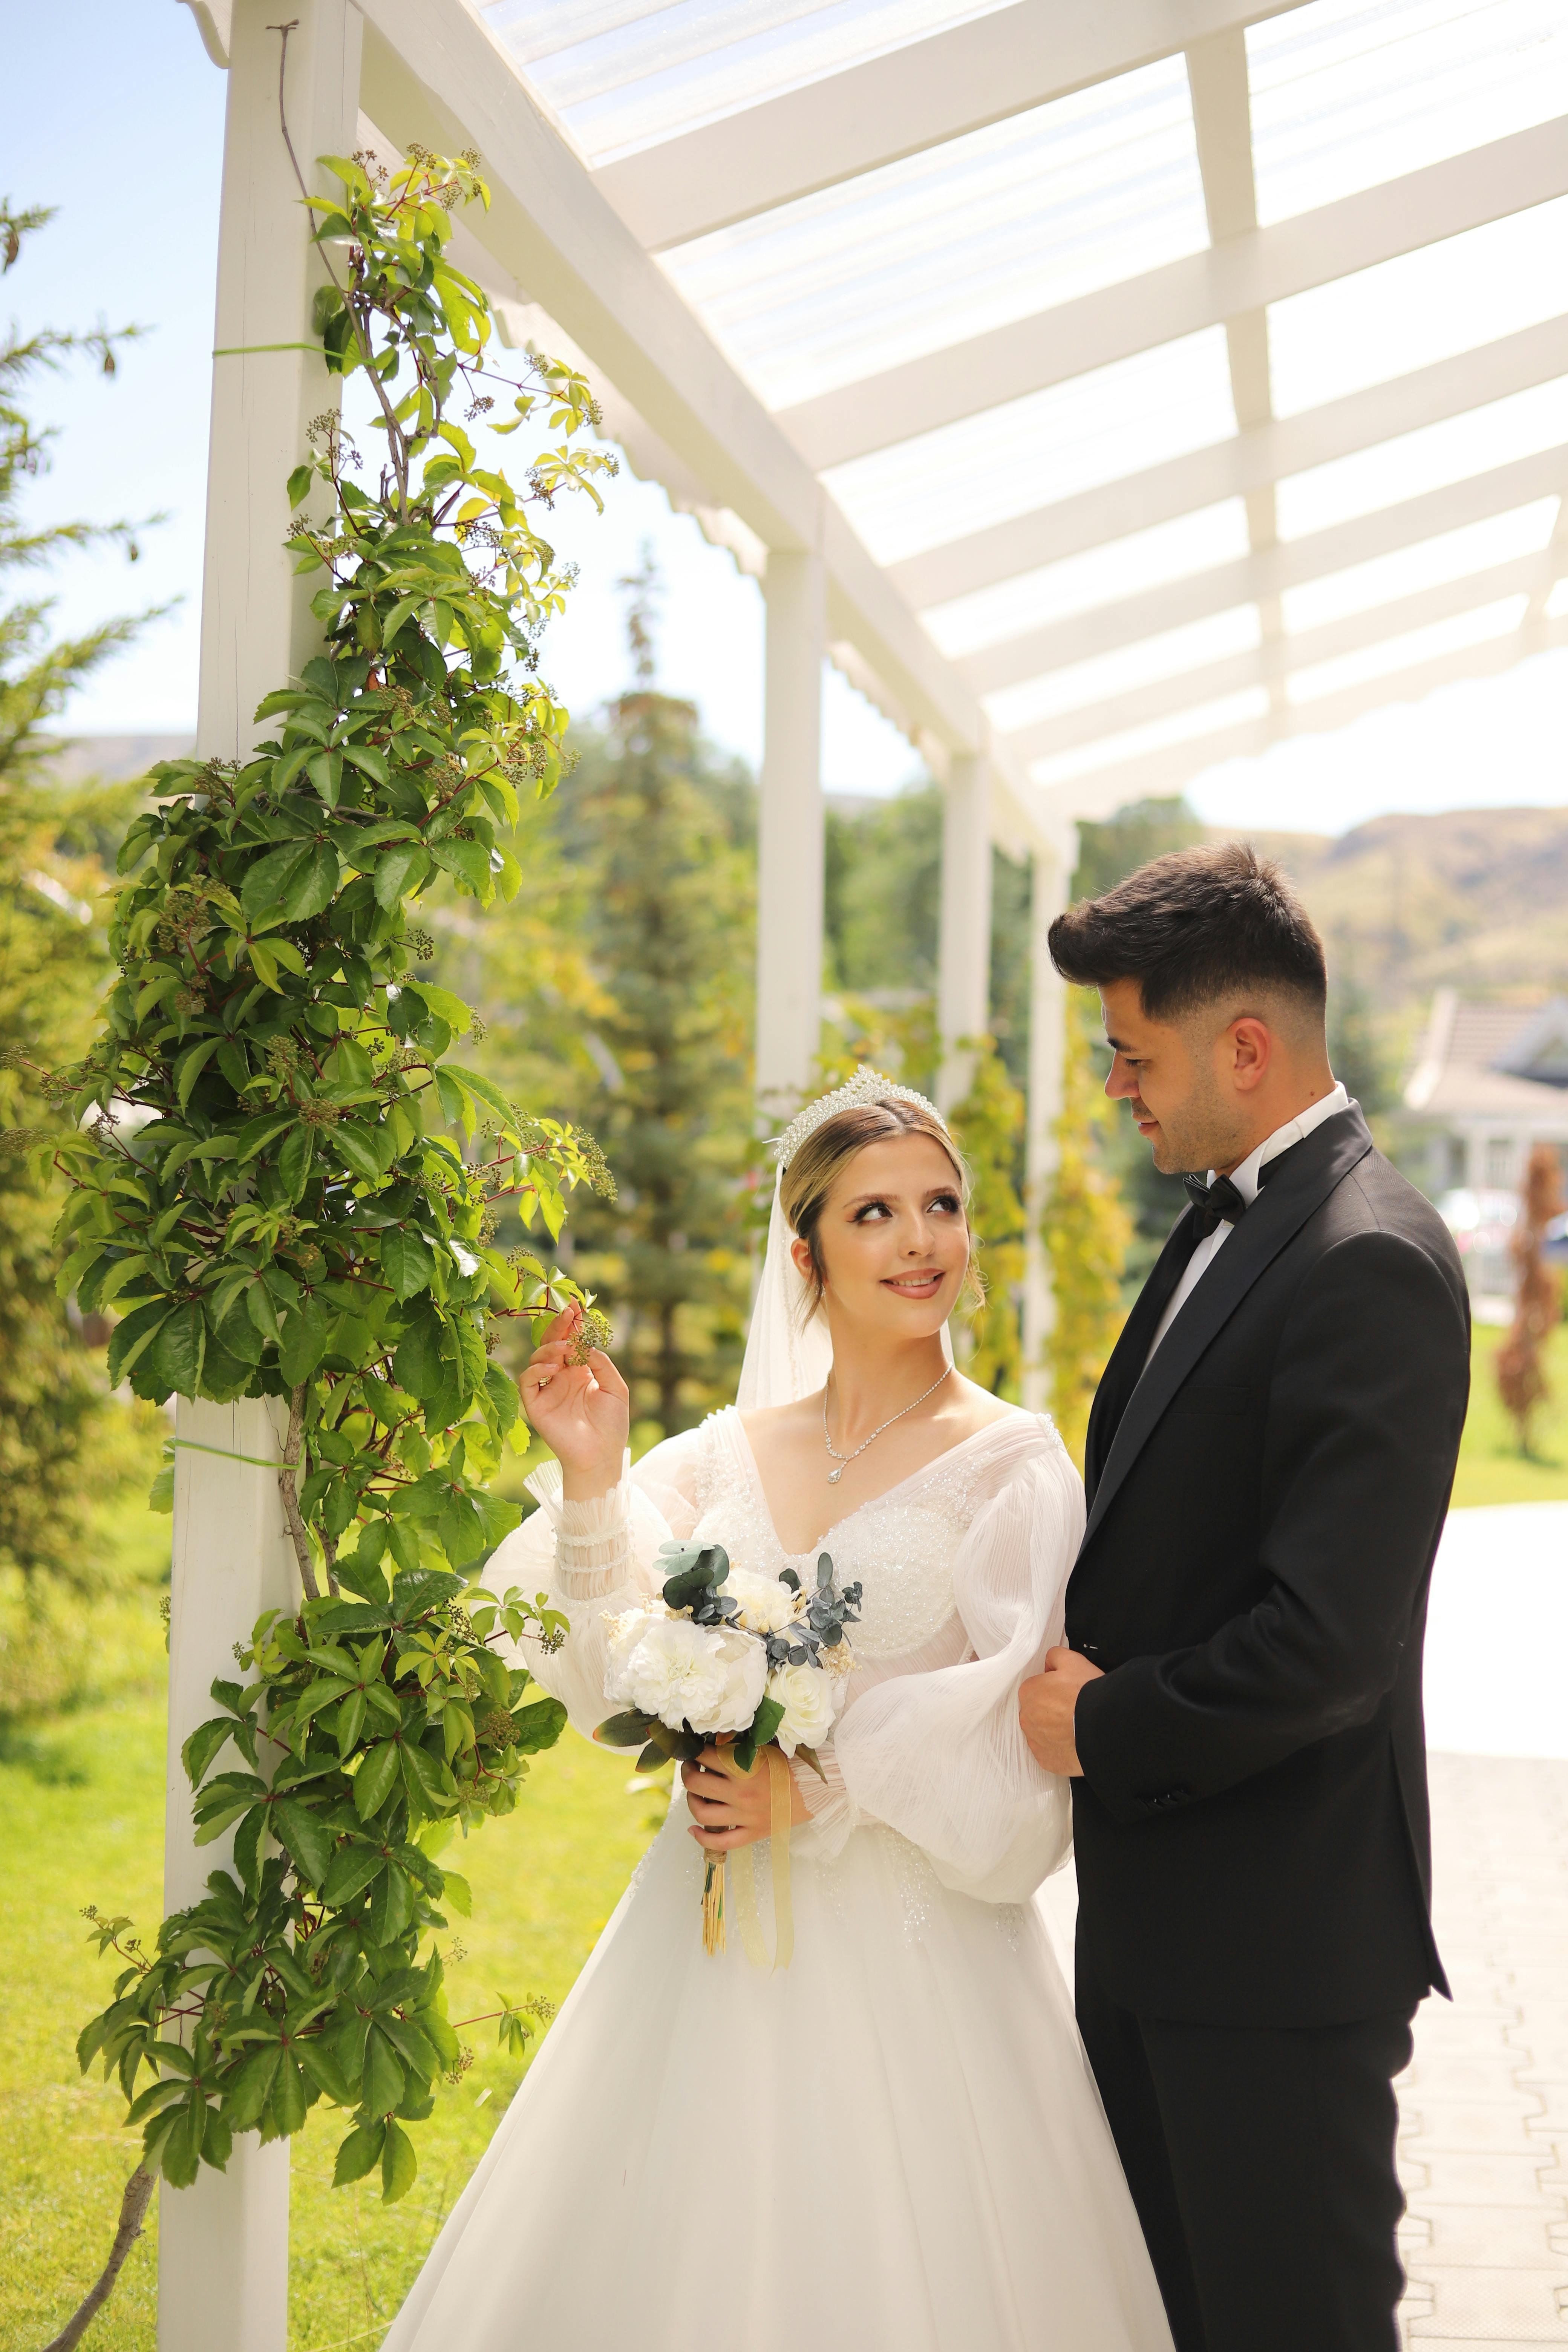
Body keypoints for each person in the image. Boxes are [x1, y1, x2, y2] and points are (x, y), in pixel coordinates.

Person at [381, 1070, 1174, 2352]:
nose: (920, 1241)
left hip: (919, 1964)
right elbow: (607, 1657)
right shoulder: (721, 1454)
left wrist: (817, 1787)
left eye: (942, 1206)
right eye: (875, 1214)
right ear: (804, 1255)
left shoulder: (1014, 1465)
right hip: (702, 1930)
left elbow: (1014, 1729)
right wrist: (592, 1472)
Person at [1018, 844, 1469, 2352]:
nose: (1115, 1090)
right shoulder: (1233, 1217)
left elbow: (1329, 1646)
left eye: (1132, 1057)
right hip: (1159, 1929)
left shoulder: (1369, 1258)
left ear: (1247, 1049)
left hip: (1274, 1958)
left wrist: (1100, 1728)